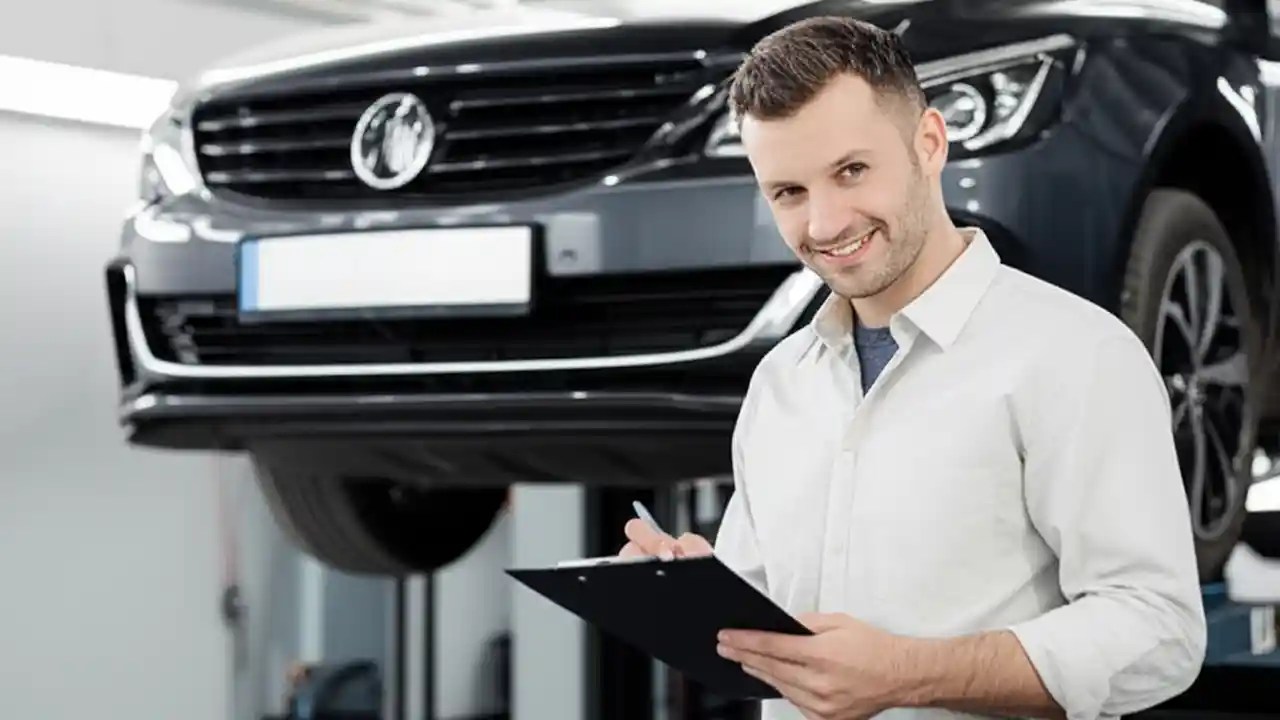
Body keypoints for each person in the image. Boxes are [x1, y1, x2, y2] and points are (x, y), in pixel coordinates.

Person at [619, 16, 1207, 720]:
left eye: (851, 171)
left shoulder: (1075, 354)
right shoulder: (782, 383)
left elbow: (1159, 632)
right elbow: (773, 624)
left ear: (929, 143)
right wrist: (687, 594)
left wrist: (910, 674)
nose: (826, 223)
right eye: (789, 193)